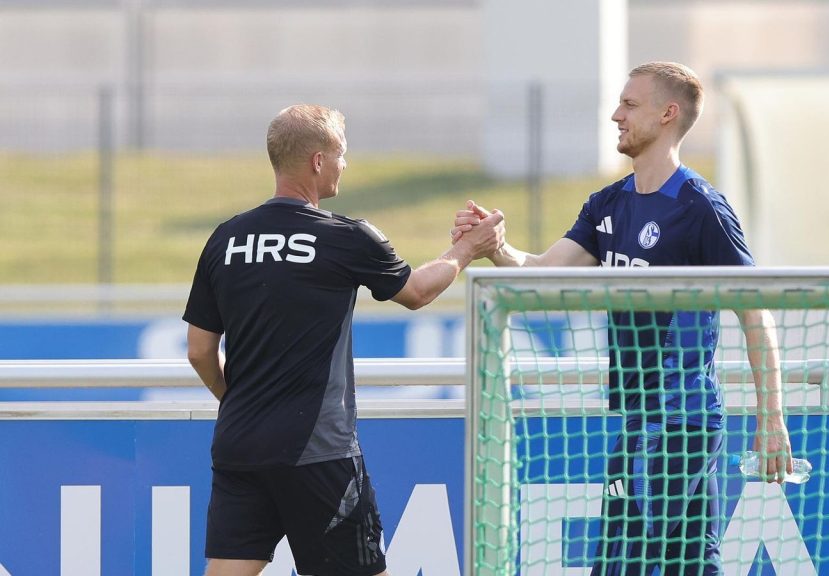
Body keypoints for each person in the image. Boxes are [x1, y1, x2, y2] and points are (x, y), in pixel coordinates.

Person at [452, 62, 793, 576]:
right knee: (616, 565)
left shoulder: (700, 207)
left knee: (688, 564)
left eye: (630, 105)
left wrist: (772, 420)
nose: (616, 115)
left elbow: (755, 311)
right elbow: (543, 273)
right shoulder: (607, 204)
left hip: (686, 425)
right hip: (633, 422)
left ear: (668, 114)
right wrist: (497, 248)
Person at [184, 104, 504, 576]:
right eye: (341, 155)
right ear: (317, 161)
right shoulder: (345, 236)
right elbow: (416, 292)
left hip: (240, 445)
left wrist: (235, 400)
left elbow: (198, 350)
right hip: (318, 452)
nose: (344, 165)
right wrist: (467, 250)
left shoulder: (225, 239)